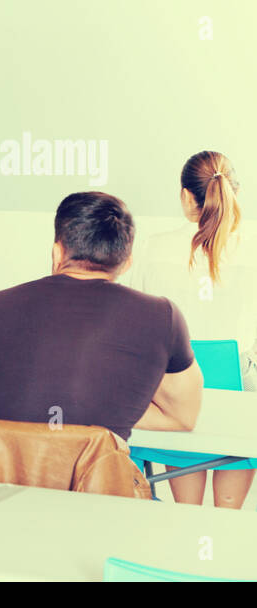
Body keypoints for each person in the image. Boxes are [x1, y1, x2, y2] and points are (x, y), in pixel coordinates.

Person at [0, 191, 204, 443]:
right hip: (96, 479)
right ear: (127, 263)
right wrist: (112, 412)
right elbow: (183, 417)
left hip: (4, 477)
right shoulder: (161, 315)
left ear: (57, 253)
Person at [128, 151, 255, 507]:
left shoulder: (155, 248)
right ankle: (224, 521)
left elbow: (140, 324)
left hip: (177, 391)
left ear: (186, 196)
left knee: (188, 514)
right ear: (234, 191)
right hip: (237, 390)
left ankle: (188, 519)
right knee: (248, 390)